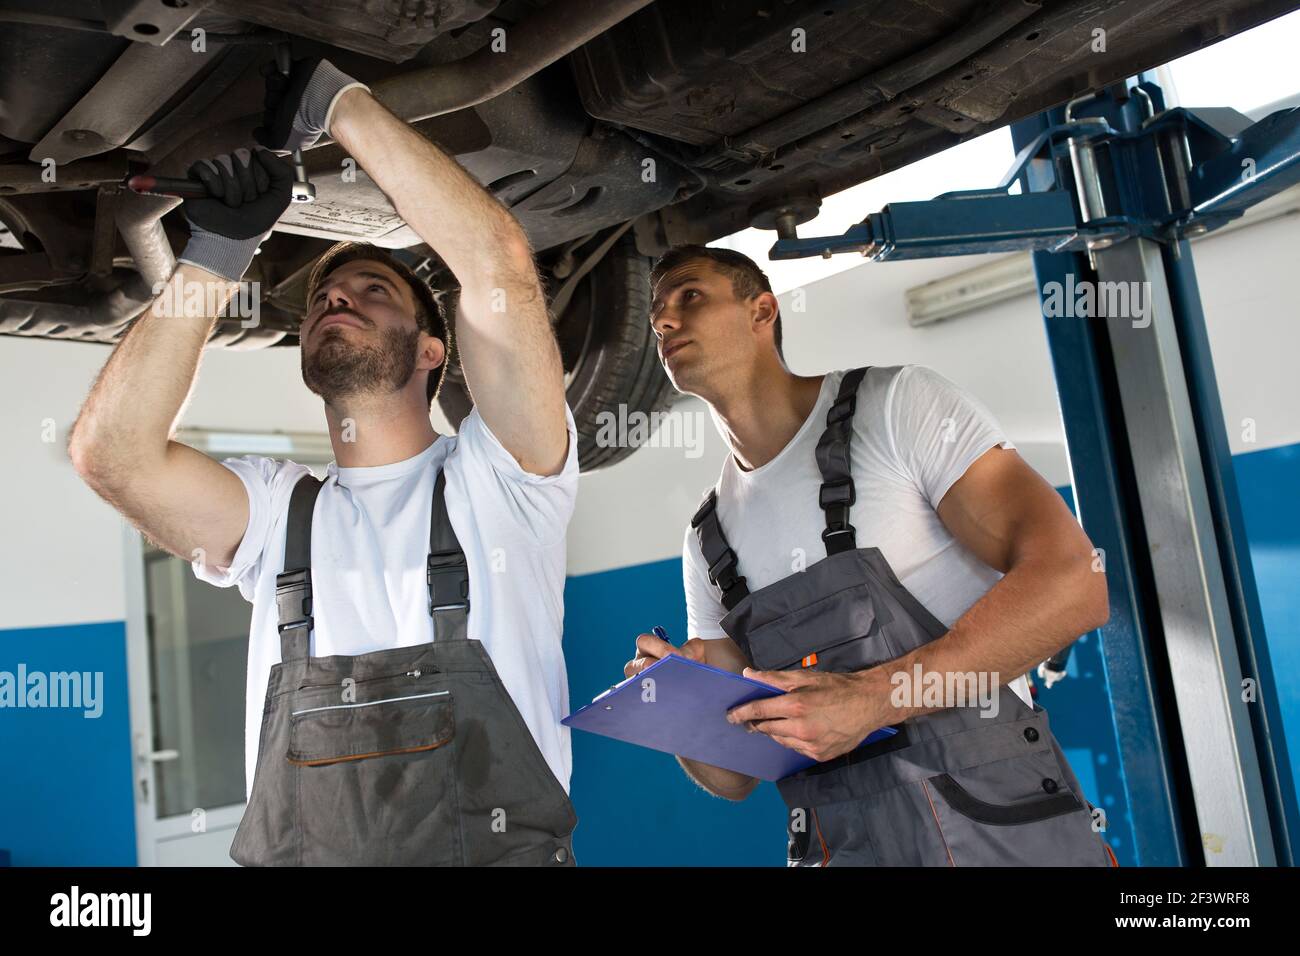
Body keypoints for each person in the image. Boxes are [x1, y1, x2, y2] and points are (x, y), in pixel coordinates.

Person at [69, 58, 578, 866]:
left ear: (431, 351)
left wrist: (334, 103)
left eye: (372, 289)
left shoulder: (501, 483)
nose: (336, 299)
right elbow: (112, 455)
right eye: (322, 300)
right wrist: (216, 256)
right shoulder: (278, 516)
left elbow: (499, 269)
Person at [625, 244, 1119, 866]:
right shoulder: (709, 536)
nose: (664, 320)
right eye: (655, 312)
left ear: (763, 311)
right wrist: (674, 703)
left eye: (689, 296)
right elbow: (734, 774)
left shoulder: (895, 408)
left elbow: (1076, 581)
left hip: (1001, 837)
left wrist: (874, 700)